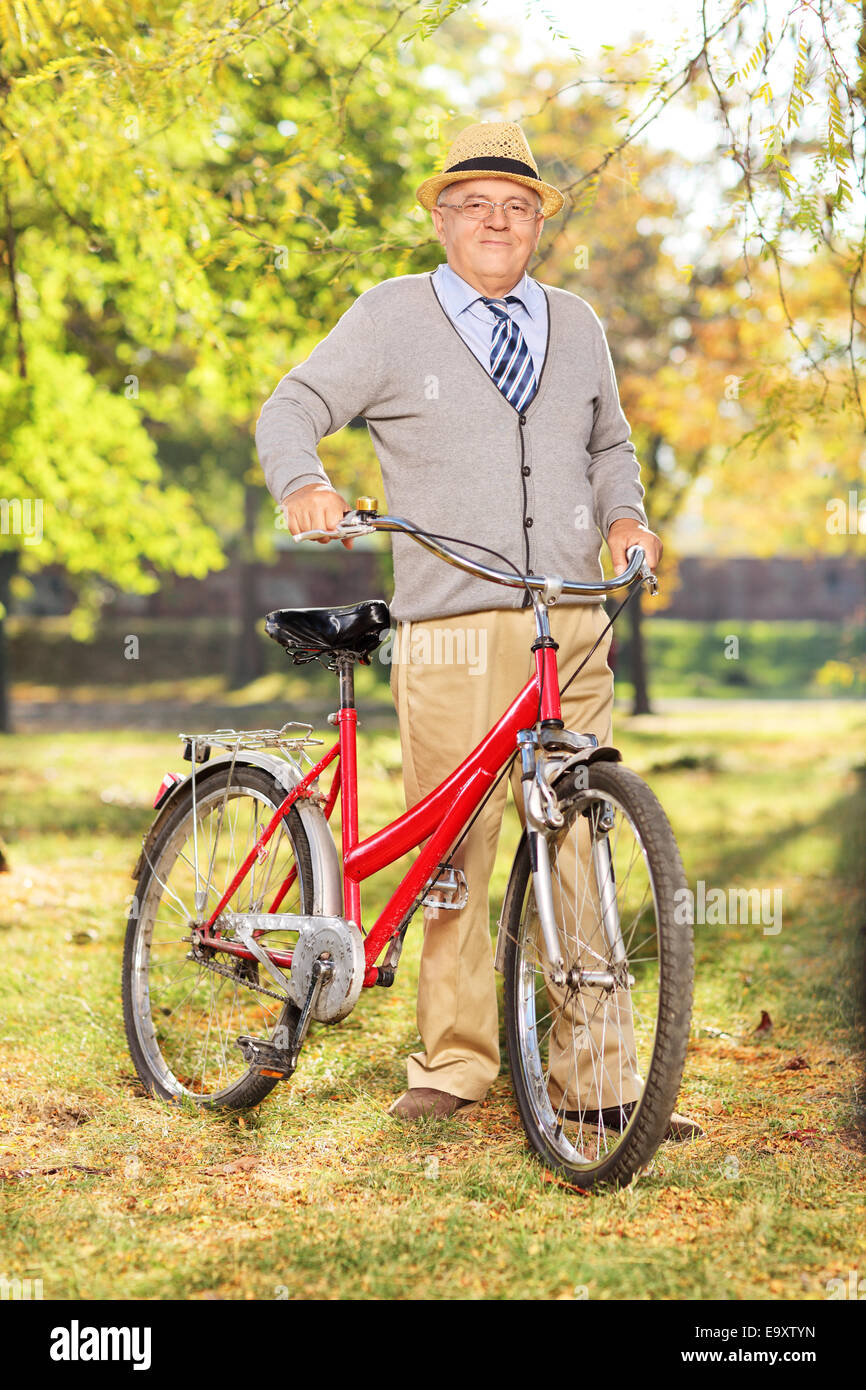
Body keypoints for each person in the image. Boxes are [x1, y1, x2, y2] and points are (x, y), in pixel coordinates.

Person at [255, 121, 702, 1138]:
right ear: (441, 217)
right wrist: (306, 484)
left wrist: (625, 514)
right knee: (454, 849)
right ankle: (450, 1065)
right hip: (450, 623)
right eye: (474, 204)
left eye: (517, 205)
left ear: (539, 221)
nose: (496, 221)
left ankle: (594, 1079)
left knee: (577, 837)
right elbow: (290, 406)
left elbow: (607, 444)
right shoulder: (389, 317)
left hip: (572, 617)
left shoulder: (576, 322)